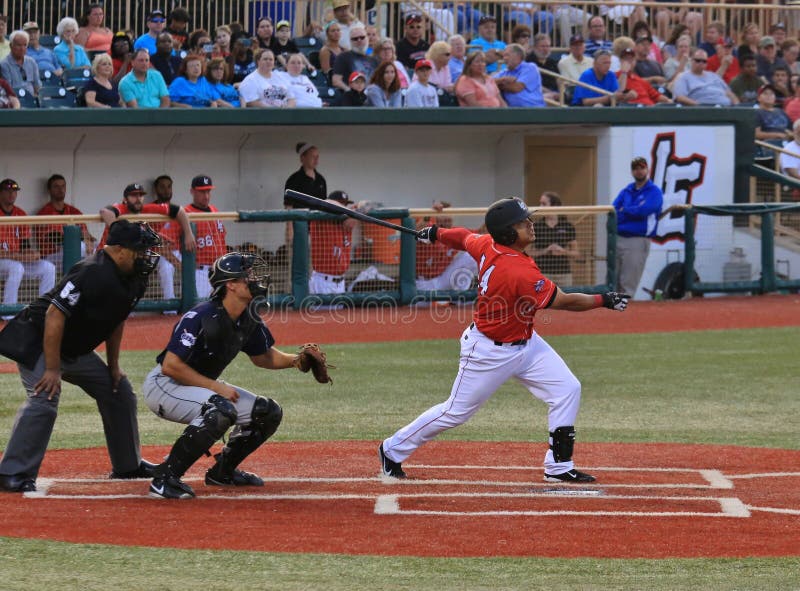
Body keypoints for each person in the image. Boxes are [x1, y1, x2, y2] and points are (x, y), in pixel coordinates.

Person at [379, 197, 630, 482]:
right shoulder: (517, 272)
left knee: (567, 388)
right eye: (524, 223)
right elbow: (566, 301)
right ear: (509, 233)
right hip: (488, 352)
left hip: (526, 343)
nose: (531, 226)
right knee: (455, 412)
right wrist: (603, 300)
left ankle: (558, 467)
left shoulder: (489, 244)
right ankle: (392, 449)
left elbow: (462, 237)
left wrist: (436, 233)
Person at [142, 251, 325, 498]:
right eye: (248, 275)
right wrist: (215, 388)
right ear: (230, 284)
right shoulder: (201, 316)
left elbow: (264, 357)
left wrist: (296, 361)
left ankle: (223, 472)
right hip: (165, 386)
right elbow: (171, 366)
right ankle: (164, 479)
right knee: (219, 411)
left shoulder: (248, 316)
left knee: (267, 412)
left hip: (201, 389)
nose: (255, 279)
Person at [0, 220, 162, 493]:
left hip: (74, 349)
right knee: (45, 398)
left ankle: (128, 465)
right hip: (38, 341)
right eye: (140, 250)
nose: (146, 256)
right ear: (119, 250)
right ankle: (11, 473)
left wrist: (114, 367)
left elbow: (116, 319)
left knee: (118, 390)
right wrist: (52, 369)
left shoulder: (135, 275)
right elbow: (54, 315)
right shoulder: (91, 272)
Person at [97, 182, 195, 257]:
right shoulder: (122, 208)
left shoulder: (147, 208)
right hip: (104, 253)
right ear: (125, 199)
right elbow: (105, 211)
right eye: (134, 195)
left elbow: (179, 210)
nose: (138, 198)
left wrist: (188, 234)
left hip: (127, 256)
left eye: (140, 195)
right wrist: (118, 231)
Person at [0, 179, 56, 307]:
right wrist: (18, 256)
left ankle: (44, 308)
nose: (11, 194)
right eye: (7, 190)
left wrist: (32, 254)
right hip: (4, 262)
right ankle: (8, 314)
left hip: (15, 260)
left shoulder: (20, 214)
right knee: (16, 267)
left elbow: (25, 245)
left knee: (48, 268)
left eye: (14, 191)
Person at [613, 157, 663, 296]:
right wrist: (632, 211)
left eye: (642, 168)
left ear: (647, 169)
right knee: (612, 282)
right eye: (636, 168)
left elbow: (645, 210)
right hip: (619, 238)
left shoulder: (654, 191)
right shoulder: (627, 190)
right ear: (632, 171)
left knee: (628, 284)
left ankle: (626, 316)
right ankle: (612, 316)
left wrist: (626, 210)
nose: (639, 171)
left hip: (638, 240)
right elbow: (614, 211)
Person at [34, 174, 95, 268]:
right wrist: (83, 240)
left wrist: (88, 241)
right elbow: (57, 239)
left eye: (63, 186)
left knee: (99, 248)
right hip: (52, 255)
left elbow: (86, 234)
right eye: (56, 186)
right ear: (49, 190)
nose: (61, 189)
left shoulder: (74, 211)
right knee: (81, 247)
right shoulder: (44, 212)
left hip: (73, 251)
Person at [184, 175, 227, 298]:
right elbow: (166, 245)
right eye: (202, 192)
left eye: (208, 191)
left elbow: (222, 238)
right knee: (202, 310)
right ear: (192, 191)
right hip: (200, 272)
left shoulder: (214, 210)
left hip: (220, 271)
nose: (206, 196)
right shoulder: (185, 213)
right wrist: (184, 267)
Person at [309, 190, 357, 294]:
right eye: (341, 203)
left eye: (346, 204)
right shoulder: (320, 217)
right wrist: (349, 212)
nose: (345, 206)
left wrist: (357, 210)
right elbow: (328, 202)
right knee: (321, 311)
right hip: (322, 282)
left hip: (341, 283)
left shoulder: (347, 222)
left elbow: (366, 205)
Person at [529, 192, 579, 286]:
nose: (540, 206)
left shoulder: (567, 226)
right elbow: (528, 253)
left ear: (554, 205)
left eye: (544, 204)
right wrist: (546, 250)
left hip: (564, 273)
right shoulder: (536, 226)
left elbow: (576, 253)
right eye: (540, 203)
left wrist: (563, 251)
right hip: (542, 273)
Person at [148, 174, 184, 303]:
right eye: (162, 187)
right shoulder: (150, 210)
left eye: (169, 187)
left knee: (197, 266)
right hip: (155, 253)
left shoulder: (177, 210)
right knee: (167, 267)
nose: (166, 190)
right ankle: (170, 309)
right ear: (156, 190)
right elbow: (159, 247)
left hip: (175, 251)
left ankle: (190, 303)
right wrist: (178, 264)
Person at [672, 49, 738, 106]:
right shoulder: (684, 77)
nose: (701, 63)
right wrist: (699, 106)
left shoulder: (714, 76)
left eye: (704, 61)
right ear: (691, 61)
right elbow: (680, 97)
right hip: (702, 112)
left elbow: (729, 94)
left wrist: (737, 106)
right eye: (698, 60)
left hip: (726, 109)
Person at [331, 25, 378, 92]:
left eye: (362, 37)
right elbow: (336, 81)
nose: (359, 40)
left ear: (367, 38)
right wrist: (350, 91)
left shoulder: (374, 59)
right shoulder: (342, 57)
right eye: (355, 39)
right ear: (350, 41)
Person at [754, 84, 792, 162]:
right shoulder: (756, 112)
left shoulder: (781, 111)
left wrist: (790, 134)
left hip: (787, 143)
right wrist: (777, 135)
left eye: (771, 93)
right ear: (758, 98)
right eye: (765, 93)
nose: (769, 96)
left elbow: (790, 129)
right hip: (768, 145)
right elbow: (756, 134)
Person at [0, 30, 41, 96]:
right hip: (15, 100)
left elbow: (37, 86)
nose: (22, 48)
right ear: (11, 46)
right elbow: (8, 90)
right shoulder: (4, 64)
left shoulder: (31, 62)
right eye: (19, 45)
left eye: (25, 45)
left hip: (32, 100)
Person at [526, 33, 560, 97]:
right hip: (536, 94)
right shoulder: (528, 62)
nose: (545, 49)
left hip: (554, 93)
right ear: (534, 47)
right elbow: (531, 83)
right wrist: (551, 93)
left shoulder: (552, 62)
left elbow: (559, 80)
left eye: (548, 46)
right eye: (542, 46)